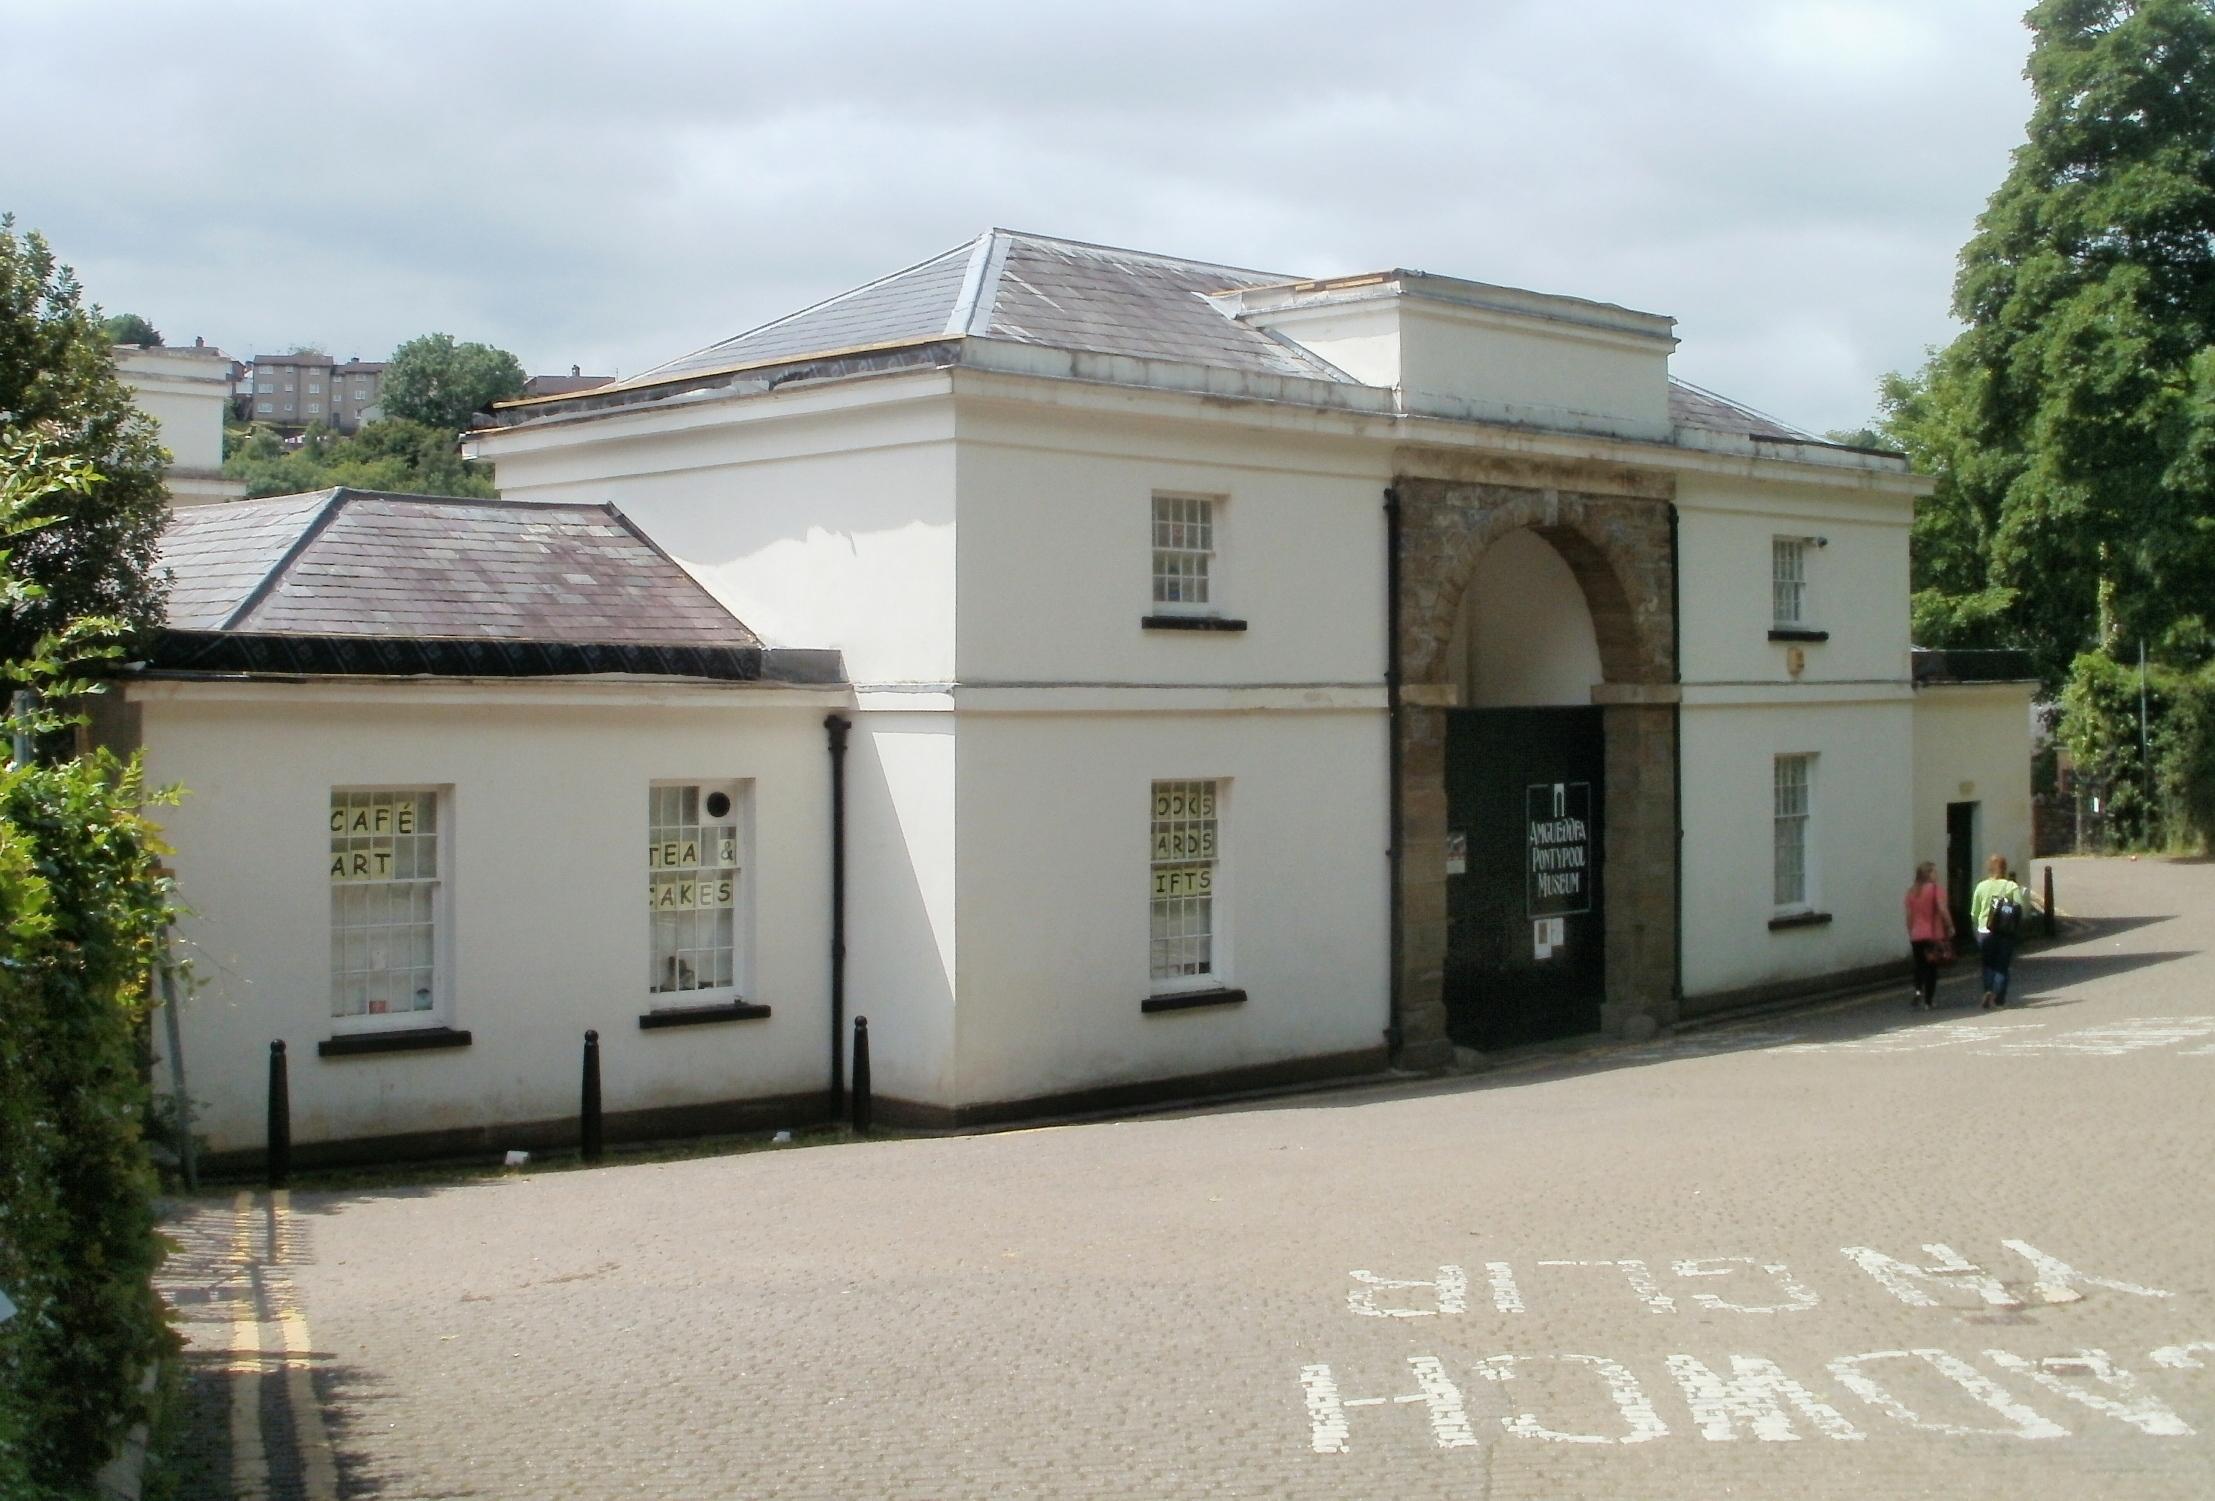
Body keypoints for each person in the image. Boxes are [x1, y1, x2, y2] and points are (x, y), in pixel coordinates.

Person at [1969, 854, 2028, 1010]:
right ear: (2004, 868)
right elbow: (2020, 908)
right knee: (2002, 966)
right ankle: (1999, 998)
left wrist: (1978, 926)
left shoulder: (1981, 886)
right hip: (2005, 931)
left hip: (1984, 931)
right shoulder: (2011, 886)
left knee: (1988, 965)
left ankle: (1988, 991)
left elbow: (1974, 912)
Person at [1904, 861, 1955, 1009]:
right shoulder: (1935, 890)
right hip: (1932, 934)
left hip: (1916, 935)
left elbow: (1909, 916)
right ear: (1928, 874)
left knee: (1919, 966)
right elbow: (1942, 909)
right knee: (1931, 968)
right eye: (1934, 872)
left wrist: (1911, 931)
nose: (1936, 874)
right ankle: (1928, 1001)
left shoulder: (1911, 892)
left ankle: (1918, 990)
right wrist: (1950, 925)